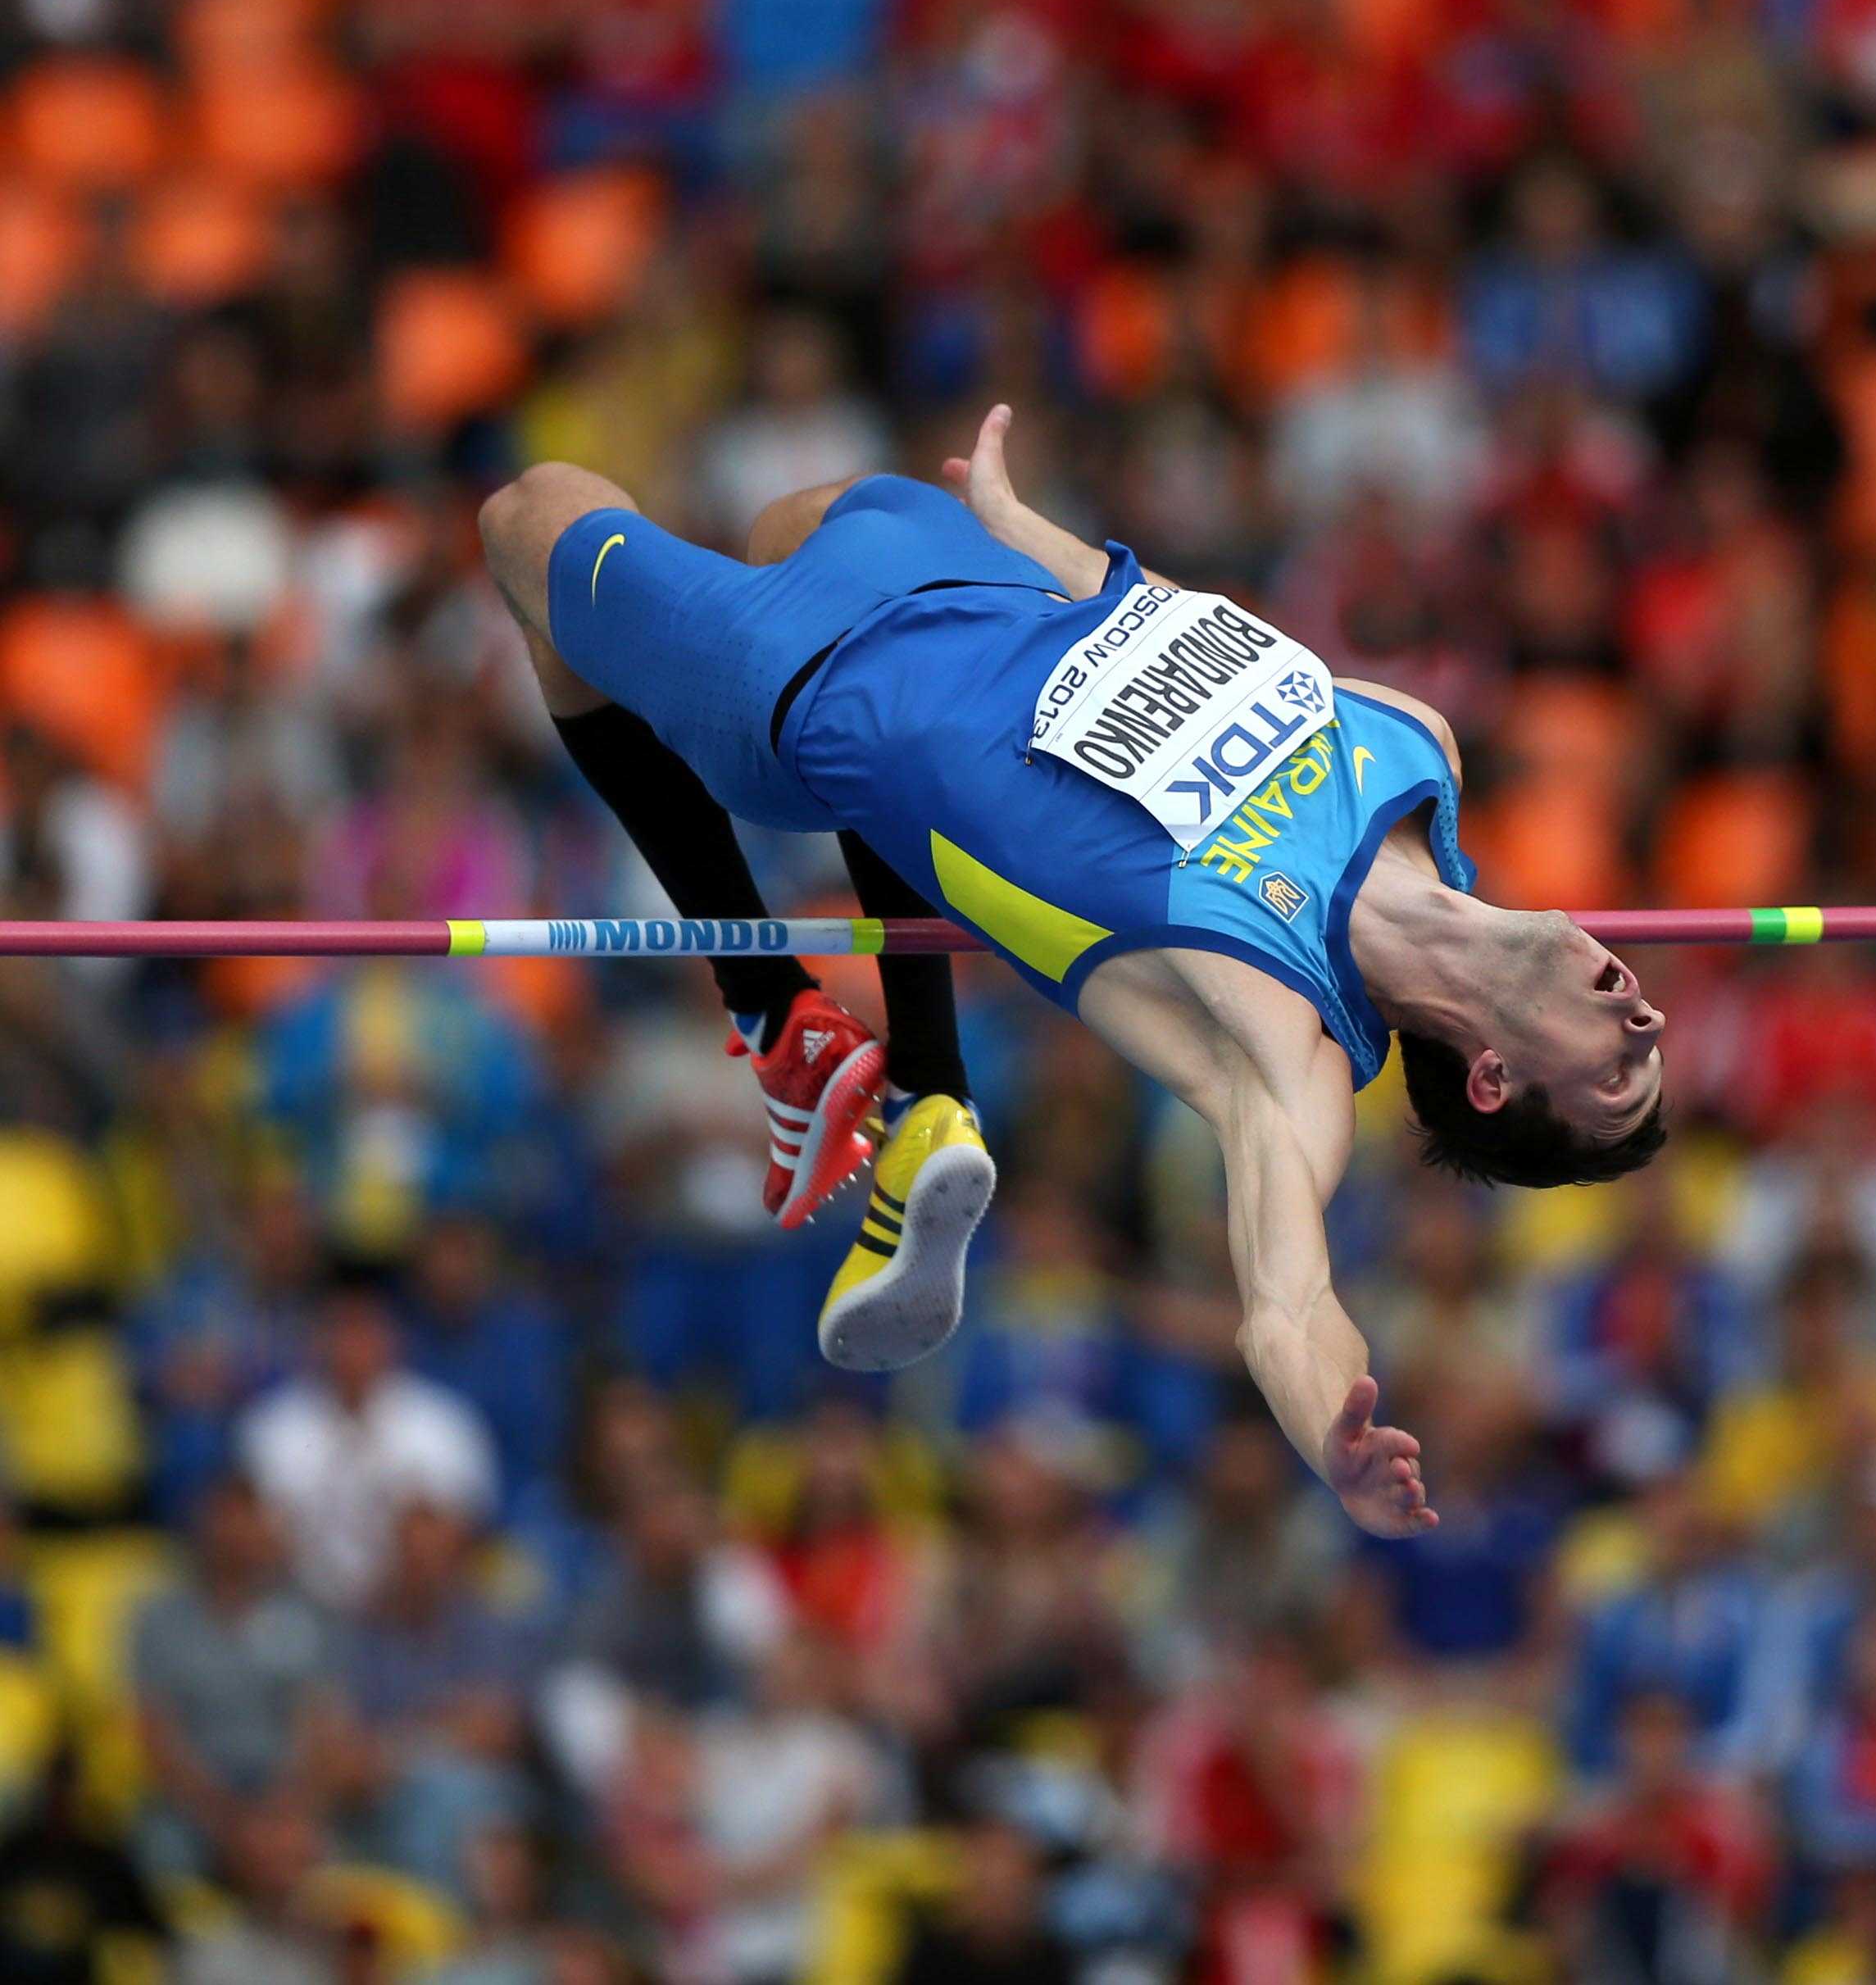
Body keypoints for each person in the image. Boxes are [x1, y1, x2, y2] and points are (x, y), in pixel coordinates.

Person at [479, 404, 1669, 1538]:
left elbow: (1287, 1306)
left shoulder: (1282, 1037)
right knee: (791, 517)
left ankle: (768, 999)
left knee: (527, 517)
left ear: (1491, 1078)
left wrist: (1332, 1436)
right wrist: (1022, 519)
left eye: (1619, 1078)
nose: (1648, 1019)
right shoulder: (1418, 741)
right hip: (970, 573)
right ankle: (914, 1079)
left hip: (810, 674)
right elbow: (1162, 620)